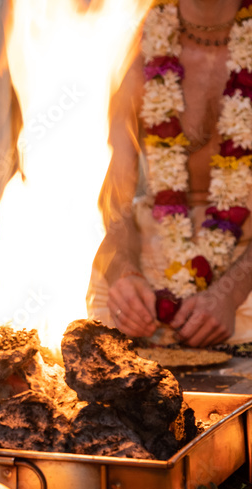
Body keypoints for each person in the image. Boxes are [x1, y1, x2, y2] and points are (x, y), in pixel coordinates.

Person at [89, 0, 252, 348]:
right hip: (153, 245)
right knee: (103, 317)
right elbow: (111, 199)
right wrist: (124, 273)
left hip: (246, 256)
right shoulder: (131, 47)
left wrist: (232, 291)